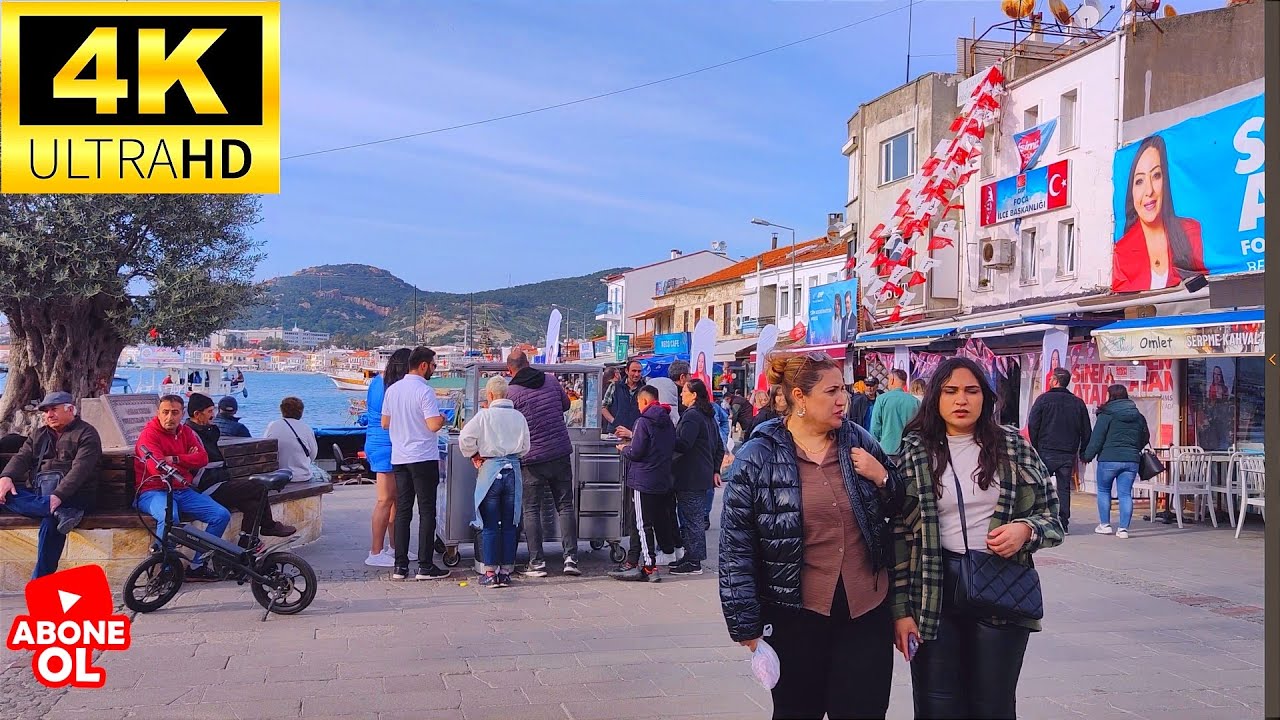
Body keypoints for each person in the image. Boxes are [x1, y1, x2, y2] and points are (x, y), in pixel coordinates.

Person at [719, 351, 903, 719]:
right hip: (795, 616)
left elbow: (899, 504)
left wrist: (882, 477)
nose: (843, 400)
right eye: (831, 391)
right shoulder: (758, 457)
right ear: (799, 398)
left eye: (844, 390)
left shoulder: (859, 442)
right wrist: (746, 626)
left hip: (864, 612)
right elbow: (735, 547)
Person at [891, 357, 1063, 719]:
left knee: (993, 706)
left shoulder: (1013, 446)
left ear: (986, 398)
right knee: (937, 705)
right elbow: (900, 535)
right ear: (935, 398)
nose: (961, 400)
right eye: (950, 391)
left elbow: (1052, 517)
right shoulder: (915, 452)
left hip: (999, 584)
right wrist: (900, 611)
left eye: (971, 391)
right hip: (932, 591)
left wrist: (1025, 530)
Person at [0, 391, 103, 578]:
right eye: (46, 411)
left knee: (50, 524)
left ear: (70, 409)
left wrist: (58, 496)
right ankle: (52, 510)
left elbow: (80, 471)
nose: (49, 415)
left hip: (76, 497)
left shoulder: (87, 434)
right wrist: (6, 477)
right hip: (44, 495)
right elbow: (22, 457)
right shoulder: (39, 434)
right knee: (4, 493)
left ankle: (38, 583)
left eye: (53, 409)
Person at [134, 394, 232, 583]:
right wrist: (187, 458)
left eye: (175, 413)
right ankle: (167, 569)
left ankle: (197, 566)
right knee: (170, 516)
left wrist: (176, 458)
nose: (170, 417)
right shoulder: (149, 435)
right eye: (165, 412)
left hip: (182, 490)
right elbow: (158, 467)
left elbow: (203, 459)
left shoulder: (186, 432)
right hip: (152, 490)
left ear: (182, 414)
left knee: (221, 515)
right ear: (158, 413)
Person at [506, 350, 580, 578]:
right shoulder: (550, 379)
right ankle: (570, 559)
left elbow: (508, 424)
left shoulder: (512, 392)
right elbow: (566, 405)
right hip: (560, 451)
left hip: (532, 458)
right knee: (565, 505)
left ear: (510, 369)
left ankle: (537, 562)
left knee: (531, 509)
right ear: (528, 363)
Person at [185, 393, 296, 542]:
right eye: (210, 412)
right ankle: (269, 526)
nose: (214, 415)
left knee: (253, 505)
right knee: (259, 488)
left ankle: (245, 546)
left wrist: (210, 429)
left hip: (219, 482)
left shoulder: (207, 430)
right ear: (197, 414)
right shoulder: (190, 434)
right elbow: (200, 462)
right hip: (207, 487)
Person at [382, 346, 450, 581]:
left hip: (399, 456)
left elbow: (384, 422)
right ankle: (425, 565)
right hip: (423, 456)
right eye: (433, 365)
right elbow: (432, 425)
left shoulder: (392, 390)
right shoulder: (424, 391)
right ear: (423, 365)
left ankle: (400, 566)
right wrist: (442, 418)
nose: (434, 369)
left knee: (402, 510)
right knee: (426, 511)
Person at [459, 375, 530, 588]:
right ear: (506, 394)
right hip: (513, 472)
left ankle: (490, 572)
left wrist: (475, 454)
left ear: (489, 395)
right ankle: (506, 571)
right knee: (510, 524)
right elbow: (525, 447)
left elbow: (465, 439)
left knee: (489, 524)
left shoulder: (484, 416)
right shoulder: (519, 417)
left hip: (490, 470)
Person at [1112, 134, 1206, 292]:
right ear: (1131, 191)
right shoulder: (1122, 250)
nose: (1149, 191)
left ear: (1166, 180)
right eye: (1139, 181)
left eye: (1156, 175)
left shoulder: (1191, 231)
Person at [610, 385, 678, 582]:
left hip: (643, 480)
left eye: (639, 402)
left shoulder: (643, 422)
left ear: (645, 401)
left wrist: (624, 448)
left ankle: (649, 566)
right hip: (661, 479)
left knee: (641, 524)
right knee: (641, 521)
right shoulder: (668, 421)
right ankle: (632, 561)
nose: (639, 407)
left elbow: (637, 452)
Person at [1027, 367, 1092, 535]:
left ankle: (1039, 520)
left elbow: (1033, 424)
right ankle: (1063, 522)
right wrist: (1084, 451)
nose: (1049, 381)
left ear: (1055, 381)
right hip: (1068, 452)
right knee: (1064, 488)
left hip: (1046, 450)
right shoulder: (1077, 403)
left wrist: (1036, 445)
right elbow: (1086, 430)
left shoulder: (1043, 400)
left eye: (1051, 379)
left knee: (1041, 486)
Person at [1082, 384, 1151, 539]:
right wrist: (1133, 448)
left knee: (1104, 491)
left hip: (1109, 459)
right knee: (1125, 494)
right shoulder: (1138, 416)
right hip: (1131, 460)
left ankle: (1105, 525)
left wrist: (1087, 456)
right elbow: (1145, 437)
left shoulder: (1107, 414)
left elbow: (1097, 438)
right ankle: (1123, 529)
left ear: (1110, 396)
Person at [670, 379, 724, 576]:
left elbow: (684, 443)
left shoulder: (692, 416)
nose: (681, 394)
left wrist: (665, 437)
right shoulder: (707, 415)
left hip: (690, 474)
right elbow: (719, 446)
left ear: (693, 395)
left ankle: (694, 561)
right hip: (701, 473)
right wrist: (716, 470)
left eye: (684, 391)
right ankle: (690, 555)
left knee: (692, 519)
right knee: (692, 517)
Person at [365, 349, 413, 568]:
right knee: (385, 500)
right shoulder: (389, 387)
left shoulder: (378, 382)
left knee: (395, 500)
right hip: (384, 445)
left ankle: (395, 547)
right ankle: (375, 552)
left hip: (384, 442)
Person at [264, 397, 318, 483]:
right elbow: (313, 455)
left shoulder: (273, 426)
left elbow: (266, 449)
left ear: (282, 410)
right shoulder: (306, 428)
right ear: (301, 412)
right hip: (302, 476)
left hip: (278, 476)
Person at [869, 369, 921, 455]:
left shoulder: (881, 399)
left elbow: (875, 428)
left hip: (888, 449)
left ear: (892, 380)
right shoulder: (915, 402)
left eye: (888, 379)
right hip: (910, 450)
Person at [603, 359, 644, 433]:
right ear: (627, 371)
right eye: (634, 371)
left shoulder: (644, 389)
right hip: (615, 432)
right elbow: (603, 407)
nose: (637, 374)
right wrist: (614, 421)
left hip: (635, 433)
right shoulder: (615, 386)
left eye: (639, 371)